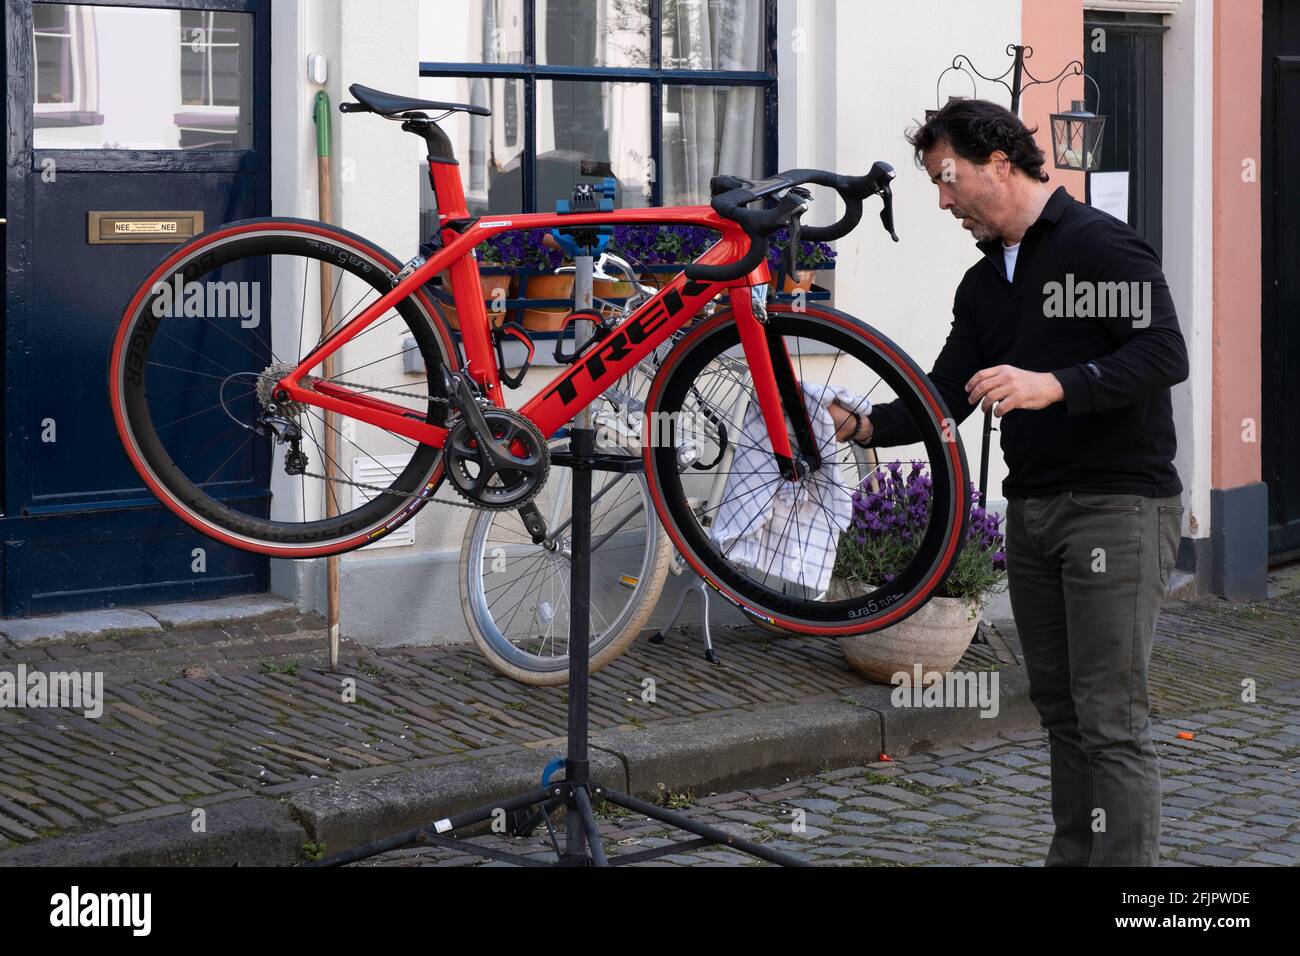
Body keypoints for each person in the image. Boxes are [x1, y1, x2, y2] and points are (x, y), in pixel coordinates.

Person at [829, 98, 1188, 866]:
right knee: (1058, 709)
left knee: (1112, 718)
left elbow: (1163, 354)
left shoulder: (1098, 245)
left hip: (1116, 508)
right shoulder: (985, 283)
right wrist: (862, 426)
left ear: (999, 160)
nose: (943, 201)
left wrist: (1054, 384)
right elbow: (943, 394)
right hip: (1032, 510)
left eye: (948, 179)